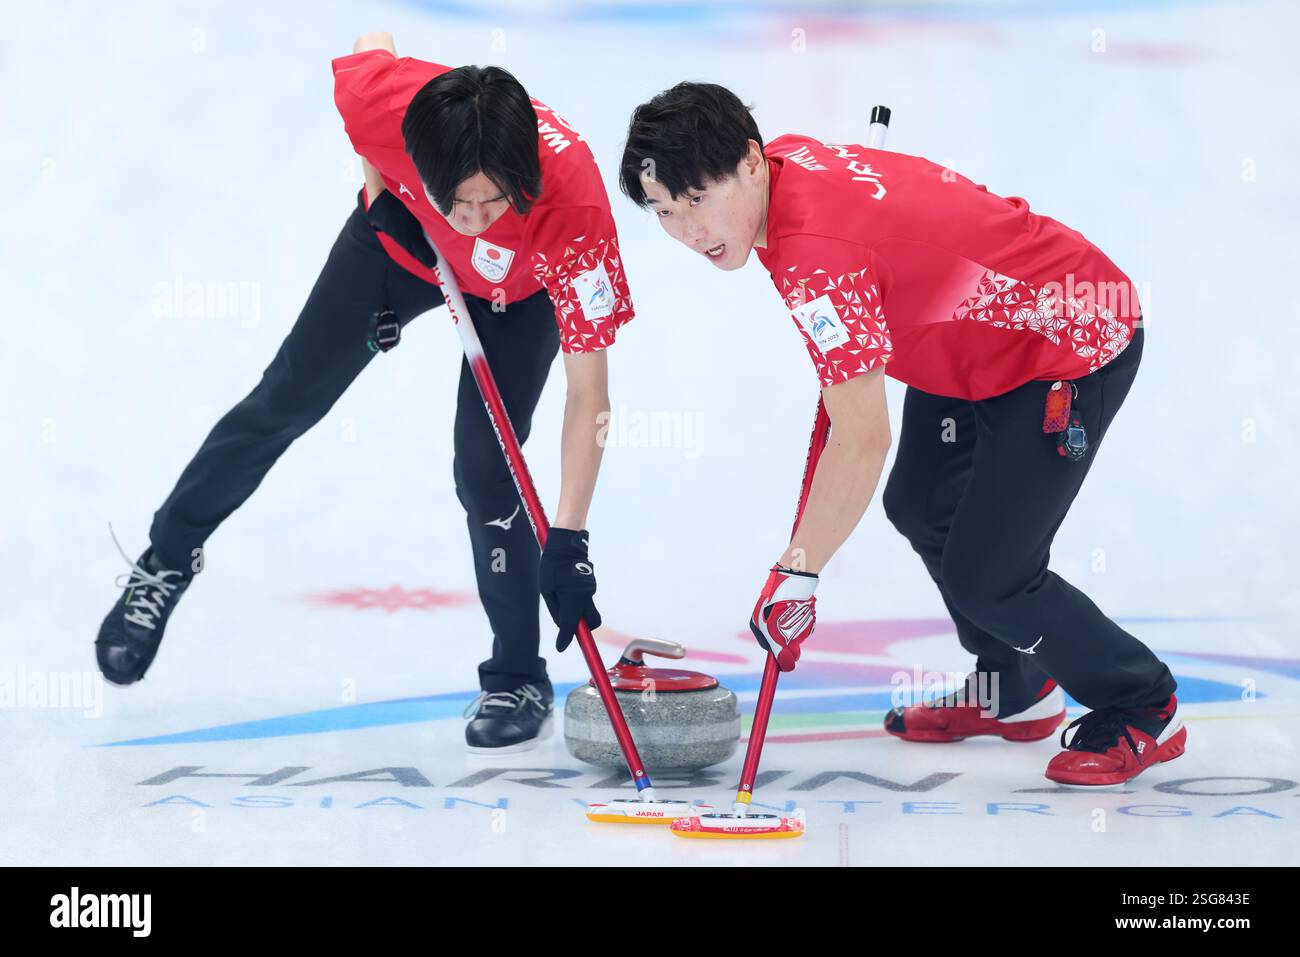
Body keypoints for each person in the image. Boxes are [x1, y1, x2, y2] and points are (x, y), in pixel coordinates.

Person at [618, 82, 1183, 786]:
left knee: (992, 579)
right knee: (919, 503)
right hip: (965, 342)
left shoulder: (816, 254)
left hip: (1063, 338)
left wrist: (797, 571)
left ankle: (1139, 697)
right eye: (666, 212)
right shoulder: (788, 176)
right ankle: (1012, 683)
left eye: (698, 200)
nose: (689, 232)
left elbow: (861, 439)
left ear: (753, 162)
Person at [96, 32, 634, 753]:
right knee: (287, 397)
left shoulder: (574, 208)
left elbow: (589, 393)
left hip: (520, 295)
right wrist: (385, 198)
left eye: (491, 199)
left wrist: (568, 538)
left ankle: (517, 674)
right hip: (403, 251)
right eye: (458, 199)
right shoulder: (386, 105)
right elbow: (368, 46)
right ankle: (165, 558)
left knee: (485, 467)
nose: (473, 215)